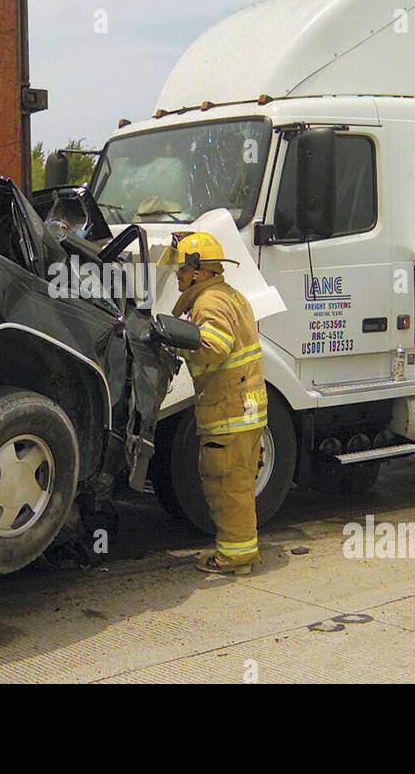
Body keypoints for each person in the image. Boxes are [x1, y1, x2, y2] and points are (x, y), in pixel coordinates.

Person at [160, 231, 268, 575]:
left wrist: (175, 343)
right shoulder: (228, 295)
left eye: (181, 270)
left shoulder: (209, 303)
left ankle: (235, 558)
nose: (178, 276)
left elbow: (215, 347)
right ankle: (240, 552)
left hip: (228, 412)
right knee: (237, 486)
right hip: (243, 409)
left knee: (226, 488)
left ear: (200, 271)